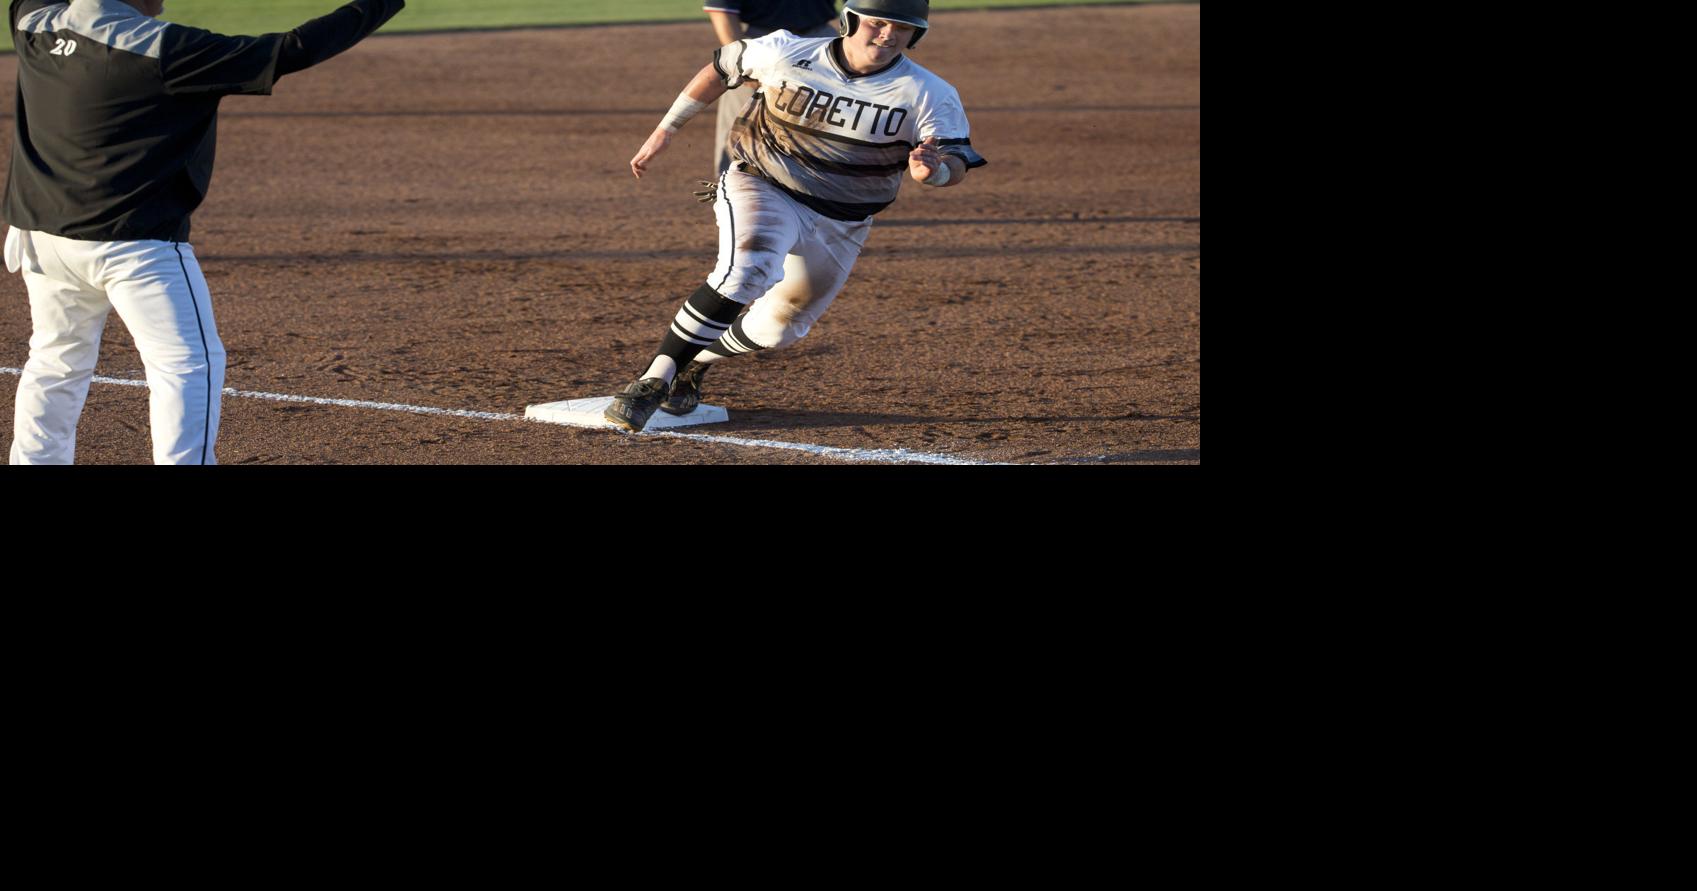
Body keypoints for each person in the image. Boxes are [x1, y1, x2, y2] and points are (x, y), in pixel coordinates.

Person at [4, 0, 405, 465]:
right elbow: (292, 49)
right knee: (188, 366)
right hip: (134, 249)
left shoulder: (33, 24)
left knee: (55, 363)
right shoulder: (165, 48)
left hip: (41, 240)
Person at [607, 0, 985, 432]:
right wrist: (666, 130)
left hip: (843, 219)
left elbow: (955, 161)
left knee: (781, 327)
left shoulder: (929, 93)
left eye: (902, 28)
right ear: (851, 20)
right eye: (878, 23)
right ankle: (653, 380)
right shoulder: (787, 50)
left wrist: (933, 172)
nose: (887, 35)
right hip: (763, 183)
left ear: (915, 35)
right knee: (747, 271)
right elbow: (721, 67)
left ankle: (695, 364)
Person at [703, 1, 840, 177]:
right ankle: (729, 187)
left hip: (821, 39)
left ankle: (826, 191)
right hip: (760, 40)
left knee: (830, 124)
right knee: (742, 121)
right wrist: (741, 58)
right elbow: (722, 11)